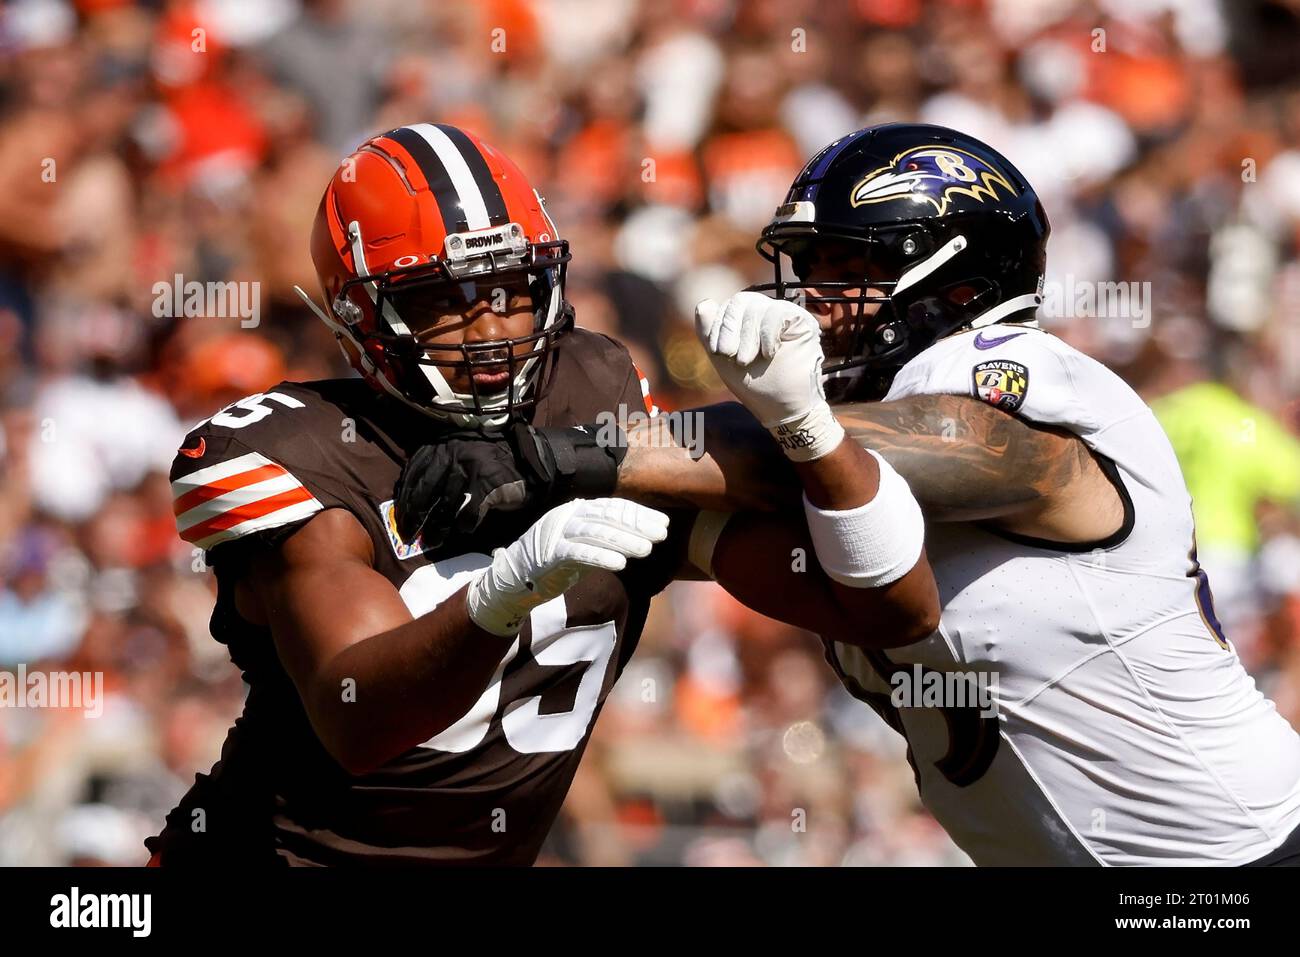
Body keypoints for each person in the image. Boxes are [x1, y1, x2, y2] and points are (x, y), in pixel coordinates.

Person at [404, 124, 1300, 865]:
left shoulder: (1013, 377)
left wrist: (570, 453)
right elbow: (734, 499)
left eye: (844, 266)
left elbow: (947, 444)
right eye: (809, 264)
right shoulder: (833, 434)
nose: (814, 298)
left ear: (956, 285)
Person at [147, 123, 937, 866]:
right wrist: (502, 592)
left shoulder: (584, 395)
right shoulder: (301, 450)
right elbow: (359, 715)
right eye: (442, 298)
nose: (489, 328)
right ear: (361, 313)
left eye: (511, 288)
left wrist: (802, 424)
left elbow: (887, 608)